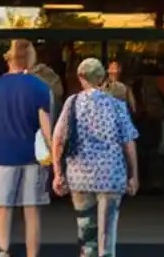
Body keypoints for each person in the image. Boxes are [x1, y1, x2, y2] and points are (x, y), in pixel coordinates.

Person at [52, 58, 140, 257]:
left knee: (86, 234)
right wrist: (134, 174)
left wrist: (57, 172)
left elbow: (57, 139)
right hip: (111, 175)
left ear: (80, 77)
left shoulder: (72, 103)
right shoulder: (117, 105)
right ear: (101, 78)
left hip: (80, 176)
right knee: (108, 233)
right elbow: (128, 141)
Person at [0, 39, 54, 257]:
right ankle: (32, 254)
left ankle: (4, 250)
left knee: (3, 208)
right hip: (33, 157)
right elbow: (46, 129)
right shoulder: (40, 87)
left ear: (9, 58)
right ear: (30, 59)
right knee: (31, 210)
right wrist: (56, 160)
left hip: (3, 154)